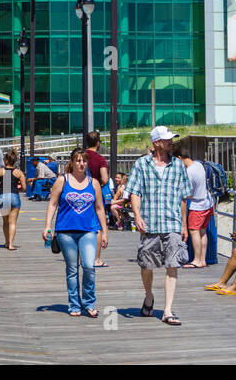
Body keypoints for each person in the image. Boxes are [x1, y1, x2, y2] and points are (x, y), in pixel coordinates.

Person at [126, 125, 191, 326]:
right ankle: (148, 295)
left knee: (173, 265)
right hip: (150, 222)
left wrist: (184, 225)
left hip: (172, 223)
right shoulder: (142, 164)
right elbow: (134, 192)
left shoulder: (179, 166)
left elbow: (183, 197)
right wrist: (137, 216)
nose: (172, 142)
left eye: (172, 139)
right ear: (156, 143)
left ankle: (168, 310)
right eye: (167, 140)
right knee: (146, 264)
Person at [43, 149, 108, 318]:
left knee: (88, 266)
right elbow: (52, 204)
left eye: (84, 161)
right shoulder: (62, 181)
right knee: (72, 269)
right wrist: (47, 226)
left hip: (88, 230)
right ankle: (74, 304)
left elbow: (100, 208)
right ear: (71, 162)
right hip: (66, 231)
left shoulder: (93, 183)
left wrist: (105, 231)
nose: (81, 164)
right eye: (78, 161)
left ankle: (89, 302)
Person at [175, 146, 213, 269]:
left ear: (180, 158)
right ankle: (203, 260)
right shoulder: (199, 164)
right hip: (208, 202)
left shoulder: (189, 172)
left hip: (198, 205)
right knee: (202, 232)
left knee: (194, 231)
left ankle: (196, 260)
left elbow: (187, 194)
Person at [84, 132, 111, 265]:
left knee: (81, 224)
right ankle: (96, 259)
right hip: (94, 193)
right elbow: (105, 179)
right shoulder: (100, 159)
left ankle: (80, 258)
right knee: (97, 227)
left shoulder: (80, 156)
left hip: (80, 192)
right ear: (98, 143)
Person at [0, 151, 26, 250]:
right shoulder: (18, 172)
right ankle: (11, 244)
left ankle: (6, 242)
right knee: (13, 222)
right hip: (14, 196)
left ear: (6, 160)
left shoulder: (1, 171)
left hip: (3, 196)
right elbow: (24, 188)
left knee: (5, 222)